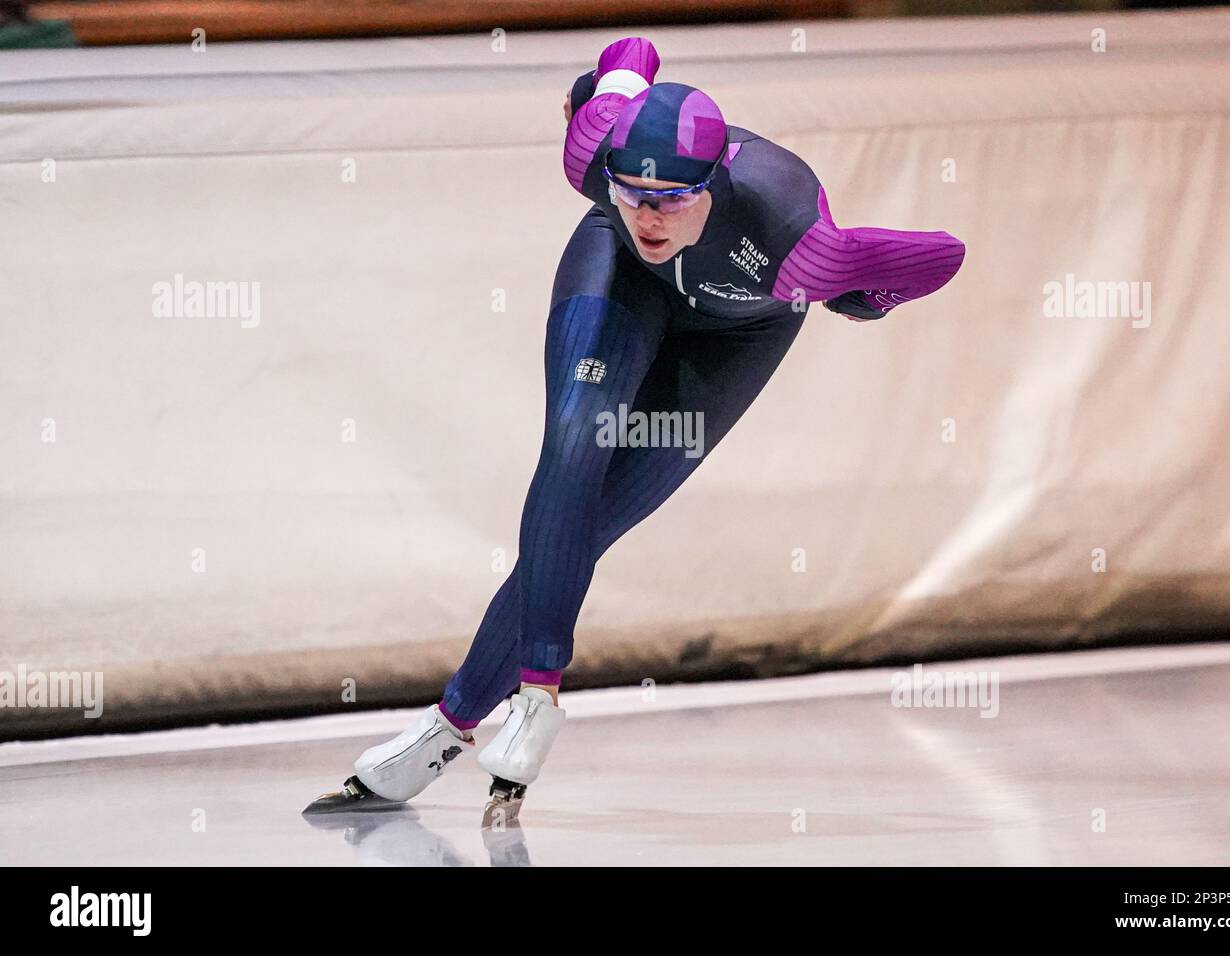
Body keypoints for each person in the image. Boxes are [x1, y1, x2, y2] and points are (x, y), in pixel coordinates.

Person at [304, 37, 964, 821]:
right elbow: (634, 48)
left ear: (714, 182)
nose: (650, 216)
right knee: (574, 441)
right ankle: (538, 700)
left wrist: (863, 291)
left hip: (735, 337)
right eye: (632, 193)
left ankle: (442, 729)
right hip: (619, 281)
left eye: (674, 199)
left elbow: (945, 256)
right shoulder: (593, 150)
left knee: (594, 522)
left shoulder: (797, 243)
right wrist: (601, 86)